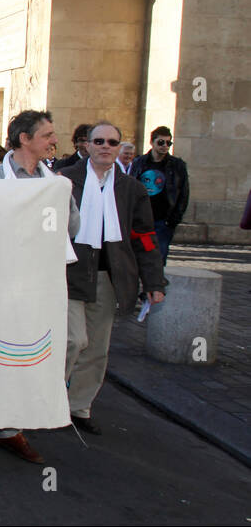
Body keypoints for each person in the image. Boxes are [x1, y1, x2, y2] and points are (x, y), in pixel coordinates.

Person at [0, 111, 81, 462]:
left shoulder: (54, 181)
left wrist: (65, 197)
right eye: (47, 134)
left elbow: (72, 230)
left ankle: (9, 428)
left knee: (24, 351)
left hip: (36, 285)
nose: (53, 141)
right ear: (24, 139)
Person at [63, 122, 166, 434]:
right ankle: (48, 399)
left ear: (120, 147)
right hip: (69, 273)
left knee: (96, 348)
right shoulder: (65, 180)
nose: (105, 146)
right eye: (99, 141)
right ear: (88, 145)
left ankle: (78, 408)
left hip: (109, 276)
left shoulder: (132, 189)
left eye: (112, 142)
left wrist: (154, 282)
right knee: (73, 340)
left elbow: (145, 237)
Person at [128, 125, 188, 266]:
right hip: (141, 219)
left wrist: (175, 218)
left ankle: (155, 287)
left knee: (159, 257)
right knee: (137, 256)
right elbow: (130, 188)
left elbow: (183, 193)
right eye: (161, 142)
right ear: (152, 142)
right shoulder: (139, 162)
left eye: (168, 143)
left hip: (164, 220)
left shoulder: (177, 165)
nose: (165, 146)